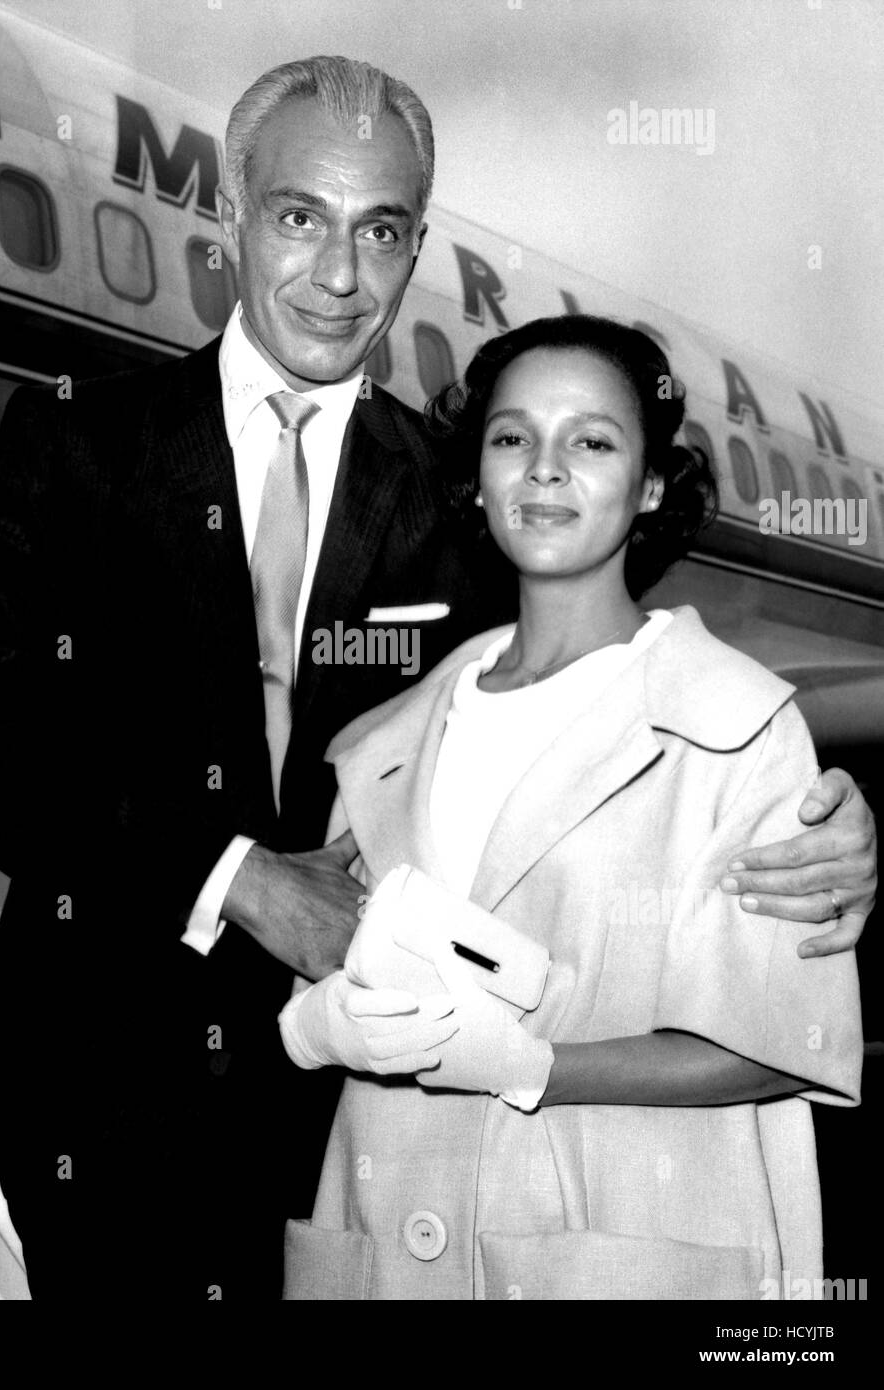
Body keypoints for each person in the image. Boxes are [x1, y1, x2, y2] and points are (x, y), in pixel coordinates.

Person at [0, 56, 873, 1302]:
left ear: (413, 250)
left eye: (381, 231)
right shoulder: (75, 446)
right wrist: (238, 875)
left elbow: (581, 691)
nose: (340, 276)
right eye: (301, 218)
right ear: (233, 217)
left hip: (370, 1092)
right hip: (101, 1066)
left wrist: (822, 813)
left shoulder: (460, 494)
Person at [280, 316, 863, 1301]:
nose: (543, 469)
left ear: (645, 486)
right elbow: (312, 938)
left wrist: (528, 1062)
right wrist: (312, 1026)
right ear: (475, 474)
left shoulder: (737, 728)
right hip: (381, 1252)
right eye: (511, 438)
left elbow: (774, 1042)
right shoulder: (380, 740)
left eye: (589, 441)